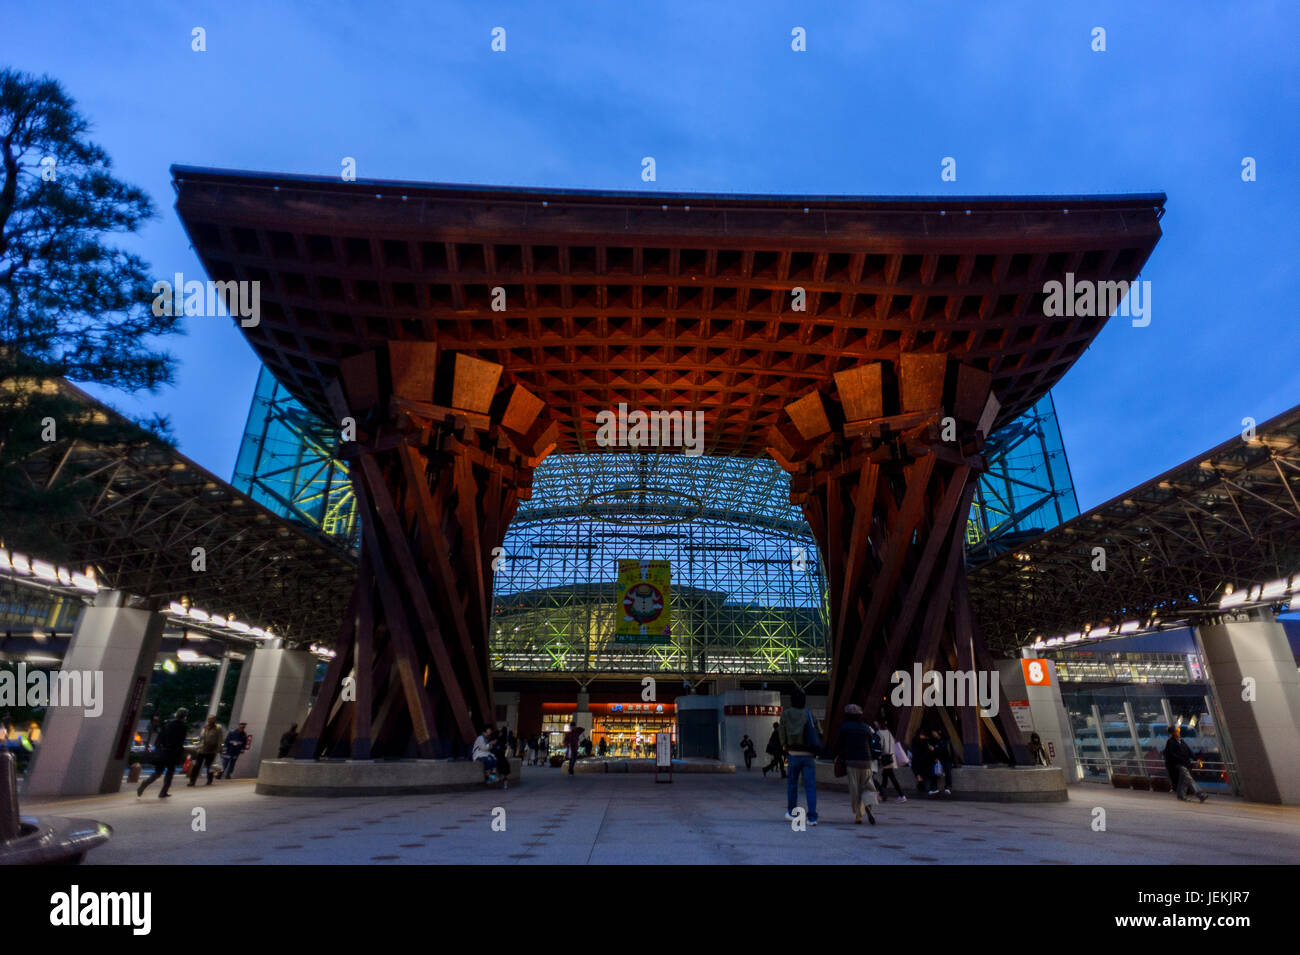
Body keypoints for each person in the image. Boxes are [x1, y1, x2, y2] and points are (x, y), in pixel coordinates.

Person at [779, 689, 820, 825]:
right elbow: (818, 731)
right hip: (808, 755)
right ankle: (812, 817)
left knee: (792, 784)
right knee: (810, 786)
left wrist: (785, 746)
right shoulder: (809, 713)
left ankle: (792, 812)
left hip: (793, 754)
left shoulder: (786, 714)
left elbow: (782, 733)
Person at [834, 704, 878, 824]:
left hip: (852, 762)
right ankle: (869, 807)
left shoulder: (845, 727)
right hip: (866, 761)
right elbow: (871, 744)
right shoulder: (866, 727)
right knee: (868, 787)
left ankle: (859, 815)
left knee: (855, 789)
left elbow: (839, 744)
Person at [139, 708, 189, 798]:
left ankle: (146, 782)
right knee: (170, 772)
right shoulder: (183, 727)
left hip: (163, 751)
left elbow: (160, 738)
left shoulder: (168, 724)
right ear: (184, 717)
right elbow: (180, 741)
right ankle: (163, 792)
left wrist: (158, 748)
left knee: (158, 771)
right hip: (173, 752)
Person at [1163, 726, 1207, 802]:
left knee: (1183, 780)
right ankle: (1200, 794)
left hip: (1185, 763)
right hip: (1177, 765)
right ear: (1173, 733)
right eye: (1177, 731)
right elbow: (1172, 755)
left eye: (1178, 731)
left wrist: (1196, 759)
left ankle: (1181, 796)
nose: (1179, 732)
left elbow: (1189, 751)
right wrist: (1182, 760)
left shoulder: (1181, 741)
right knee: (1188, 777)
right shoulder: (1170, 742)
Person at [873, 719, 906, 801]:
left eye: (876, 723)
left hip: (885, 758)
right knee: (886, 776)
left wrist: (879, 758)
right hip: (891, 758)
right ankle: (882, 795)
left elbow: (880, 746)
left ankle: (901, 795)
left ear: (879, 724)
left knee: (891, 777)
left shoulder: (879, 733)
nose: (875, 724)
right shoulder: (888, 732)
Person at [188, 715, 223, 786]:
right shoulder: (205, 728)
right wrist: (196, 746)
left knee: (209, 766)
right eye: (209, 719)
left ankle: (209, 780)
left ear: (214, 720)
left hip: (211, 751)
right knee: (197, 766)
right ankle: (192, 781)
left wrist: (218, 750)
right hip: (202, 750)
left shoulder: (218, 729)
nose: (210, 721)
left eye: (212, 719)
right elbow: (200, 738)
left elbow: (220, 740)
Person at [929, 730, 953, 796]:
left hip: (946, 759)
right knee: (932, 769)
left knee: (947, 769)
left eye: (934, 732)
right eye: (932, 732)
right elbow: (933, 753)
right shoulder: (934, 741)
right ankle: (934, 788)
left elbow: (946, 751)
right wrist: (935, 757)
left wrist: (935, 749)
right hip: (938, 760)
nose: (933, 733)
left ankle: (948, 787)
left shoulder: (945, 740)